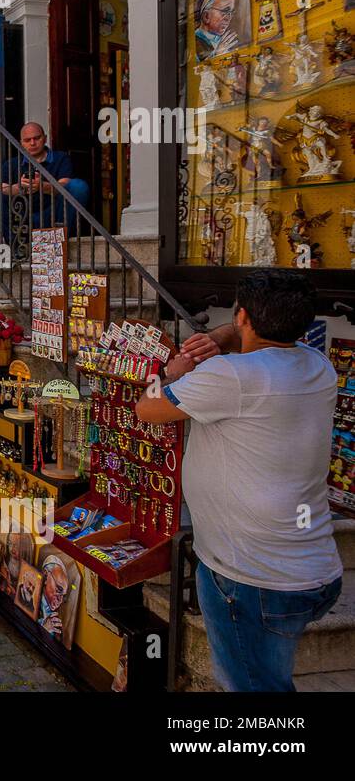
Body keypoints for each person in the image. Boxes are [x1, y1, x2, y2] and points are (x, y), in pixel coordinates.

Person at [136, 269, 344, 691]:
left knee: (252, 686)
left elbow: (147, 409)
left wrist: (172, 372)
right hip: (316, 568)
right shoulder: (319, 366)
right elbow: (259, 344)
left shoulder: (230, 377)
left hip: (251, 578)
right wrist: (230, 335)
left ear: (244, 315)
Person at [0, 122, 90, 238]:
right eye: (27, 140)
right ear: (21, 143)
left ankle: (59, 239)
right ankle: (15, 245)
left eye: (37, 138)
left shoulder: (60, 158)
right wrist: (19, 188)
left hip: (53, 213)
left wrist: (42, 186)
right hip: (21, 216)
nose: (32, 143)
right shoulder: (11, 163)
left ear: (45, 139)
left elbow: (65, 184)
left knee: (78, 186)